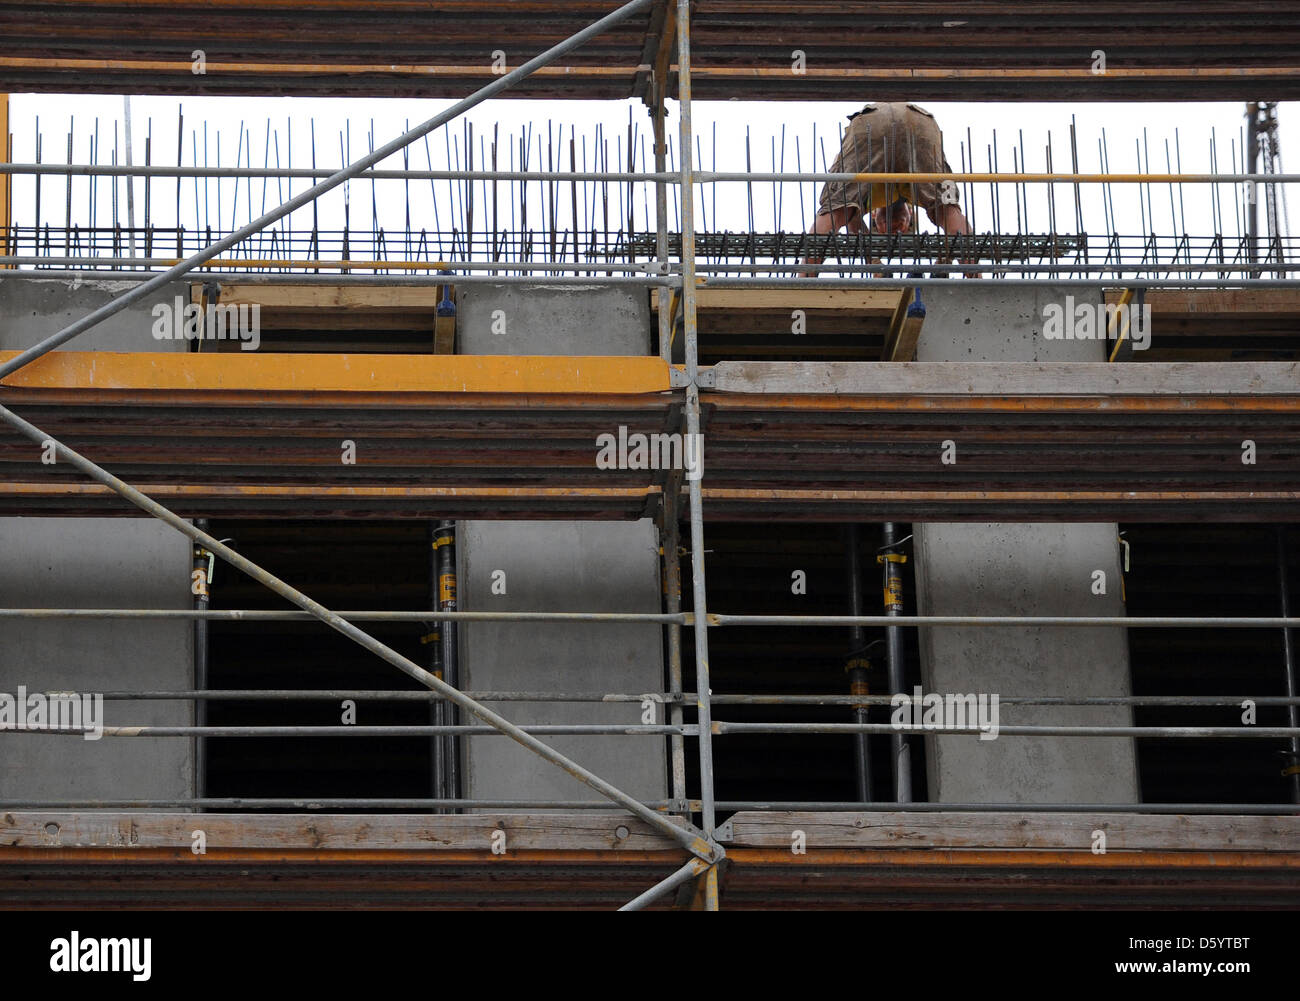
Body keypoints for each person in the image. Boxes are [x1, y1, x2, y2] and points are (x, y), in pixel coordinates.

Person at [802, 102, 976, 277]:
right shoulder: (913, 193)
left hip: (877, 123)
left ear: (874, 216)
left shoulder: (865, 199)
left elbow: (851, 221)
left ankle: (802, 280)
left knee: (838, 207)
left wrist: (942, 263)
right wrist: (876, 264)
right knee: (946, 208)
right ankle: (976, 279)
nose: (895, 229)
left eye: (885, 229)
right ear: (911, 214)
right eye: (903, 228)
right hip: (917, 123)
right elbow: (852, 223)